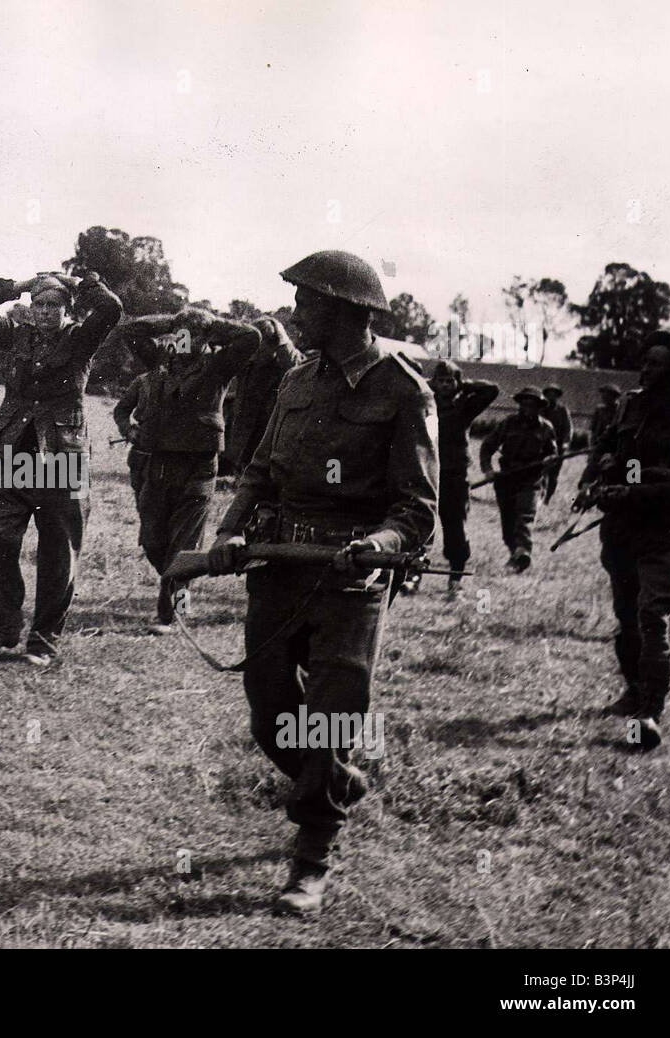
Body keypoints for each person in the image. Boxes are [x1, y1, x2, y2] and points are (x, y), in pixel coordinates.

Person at [208, 250, 437, 917]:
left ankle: (310, 860)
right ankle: (336, 781)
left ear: (345, 309)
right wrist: (229, 532)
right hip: (280, 566)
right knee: (272, 714)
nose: (294, 314)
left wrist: (380, 545)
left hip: (351, 581)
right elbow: (258, 470)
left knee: (330, 717)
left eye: (306, 302)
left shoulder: (403, 390)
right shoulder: (296, 379)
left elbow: (417, 508)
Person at [0, 270, 122, 665]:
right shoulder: (15, 336)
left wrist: (78, 281)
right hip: (14, 451)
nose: (46, 311)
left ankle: (43, 641)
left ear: (67, 309)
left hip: (61, 454)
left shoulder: (80, 339)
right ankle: (4, 627)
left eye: (54, 304)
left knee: (58, 552)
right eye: (40, 304)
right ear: (31, 308)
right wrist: (19, 286)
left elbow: (111, 307)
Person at [113, 307, 295, 633]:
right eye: (180, 334)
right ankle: (177, 587)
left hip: (198, 465)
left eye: (193, 336)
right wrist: (174, 320)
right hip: (157, 463)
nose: (184, 340)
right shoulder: (157, 364)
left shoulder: (217, 367)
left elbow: (250, 337)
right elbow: (131, 331)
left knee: (184, 544)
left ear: (206, 339)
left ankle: (174, 613)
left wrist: (209, 325)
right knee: (153, 540)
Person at [578, 329, 670, 752]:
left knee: (652, 618)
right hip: (622, 529)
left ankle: (650, 712)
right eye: (645, 361)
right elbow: (621, 457)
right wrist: (603, 475)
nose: (646, 368)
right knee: (626, 615)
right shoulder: (631, 406)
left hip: (664, 531)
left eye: (656, 362)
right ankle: (635, 689)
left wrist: (635, 487)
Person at [428, 360, 498, 593]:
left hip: (454, 474)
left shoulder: (464, 407)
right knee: (420, 521)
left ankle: (455, 576)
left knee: (455, 524)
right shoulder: (425, 402)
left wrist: (464, 385)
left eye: (450, 381)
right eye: (441, 381)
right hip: (426, 470)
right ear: (434, 382)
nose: (445, 385)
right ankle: (412, 575)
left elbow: (491, 390)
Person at [479, 387, 556, 573]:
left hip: (531, 479)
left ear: (539, 407)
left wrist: (549, 461)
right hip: (506, 478)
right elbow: (487, 447)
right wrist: (488, 470)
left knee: (524, 516)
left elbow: (553, 454)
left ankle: (524, 551)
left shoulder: (546, 428)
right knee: (508, 525)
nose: (528, 408)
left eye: (533, 405)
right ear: (520, 405)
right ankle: (517, 556)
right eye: (525, 404)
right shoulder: (508, 424)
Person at [222, 324, 304, 476]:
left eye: (260, 346)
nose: (255, 351)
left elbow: (297, 368)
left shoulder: (283, 366)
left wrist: (283, 340)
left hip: (270, 427)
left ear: (274, 345)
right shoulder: (248, 365)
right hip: (246, 428)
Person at [541, 384, 572, 503]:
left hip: (558, 447)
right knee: (541, 472)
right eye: (549, 394)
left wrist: (565, 444)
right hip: (542, 446)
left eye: (554, 394)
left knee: (553, 475)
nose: (551, 397)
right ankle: (540, 495)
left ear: (558, 396)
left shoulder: (563, 411)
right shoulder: (541, 409)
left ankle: (547, 498)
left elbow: (568, 429)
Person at [589, 382, 622, 446]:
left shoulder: (620, 409)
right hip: (599, 441)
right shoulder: (599, 409)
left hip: (615, 442)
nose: (603, 398)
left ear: (615, 397)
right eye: (603, 396)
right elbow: (593, 427)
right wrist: (592, 441)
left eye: (607, 396)